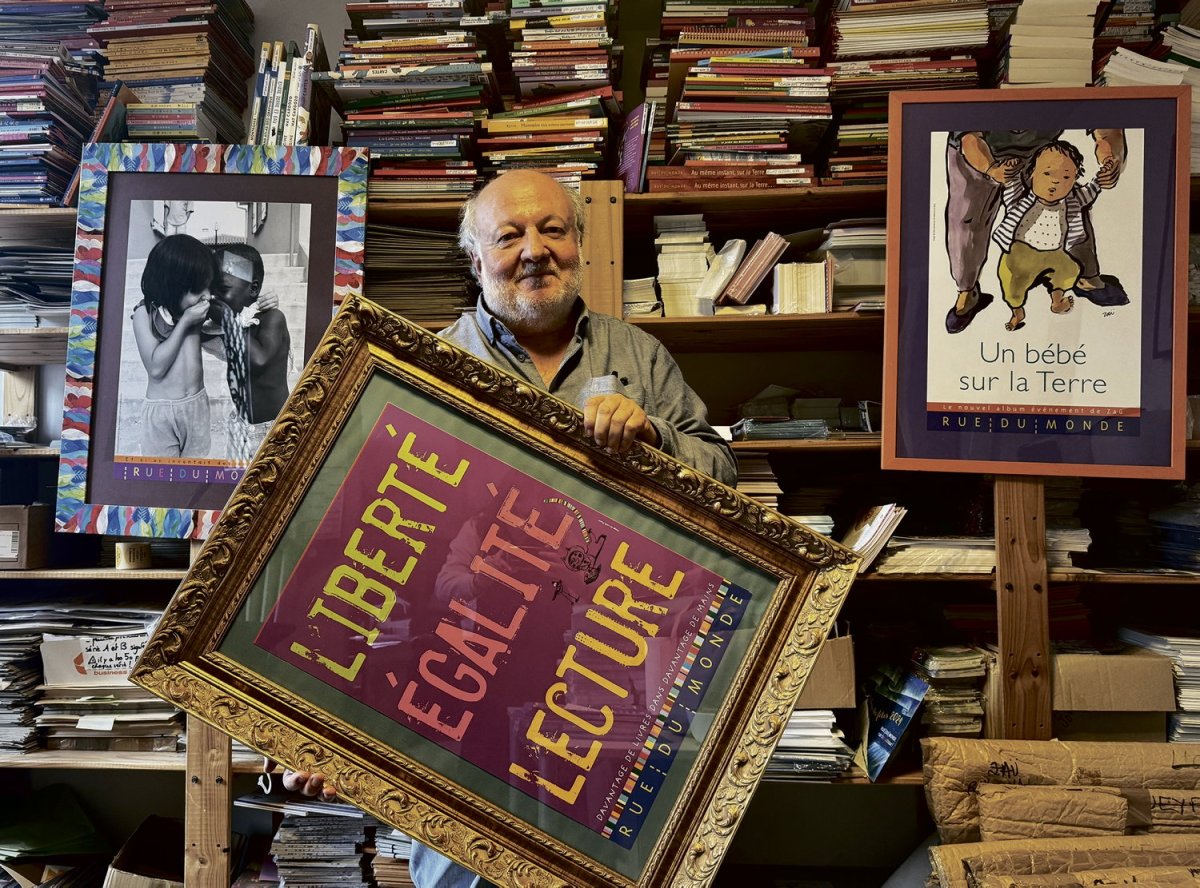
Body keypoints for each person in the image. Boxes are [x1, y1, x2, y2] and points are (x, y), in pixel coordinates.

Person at [274, 168, 738, 887]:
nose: (534, 250)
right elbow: (360, 548)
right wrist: (329, 723)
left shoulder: (639, 357)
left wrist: (655, 439)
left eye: (553, 229)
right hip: (458, 684)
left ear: (579, 244)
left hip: (610, 683)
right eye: (509, 235)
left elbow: (721, 476)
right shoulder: (422, 372)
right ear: (475, 257)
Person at [943, 128, 1127, 334]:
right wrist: (991, 168)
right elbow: (969, 136)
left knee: (1070, 203)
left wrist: (1111, 160)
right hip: (976, 153)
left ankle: (1087, 278)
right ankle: (967, 293)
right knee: (966, 219)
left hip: (1038, 151)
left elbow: (1108, 122)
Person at [991, 140, 1114, 332]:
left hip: (1054, 252)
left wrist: (1101, 177)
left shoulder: (1072, 199)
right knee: (1011, 282)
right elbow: (1011, 181)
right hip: (1019, 253)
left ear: (1074, 180)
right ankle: (1017, 312)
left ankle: (1057, 300)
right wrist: (1010, 169)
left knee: (1069, 270)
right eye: (1047, 173)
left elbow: (1090, 190)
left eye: (1066, 177)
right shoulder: (1020, 198)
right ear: (1032, 175)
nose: (1055, 182)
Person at [130, 233, 221, 458]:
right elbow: (156, 367)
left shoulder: (196, 314)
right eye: (198, 289)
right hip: (162, 412)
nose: (206, 297)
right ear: (171, 286)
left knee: (192, 478)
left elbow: (225, 349)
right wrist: (186, 323)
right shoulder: (144, 315)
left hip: (196, 406)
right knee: (162, 479)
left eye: (208, 288)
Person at [211, 243, 291, 463]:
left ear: (253, 289)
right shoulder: (231, 325)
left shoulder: (272, 318)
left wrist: (227, 320)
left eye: (223, 289)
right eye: (212, 290)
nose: (215, 297)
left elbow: (260, 360)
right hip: (240, 427)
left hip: (272, 430)